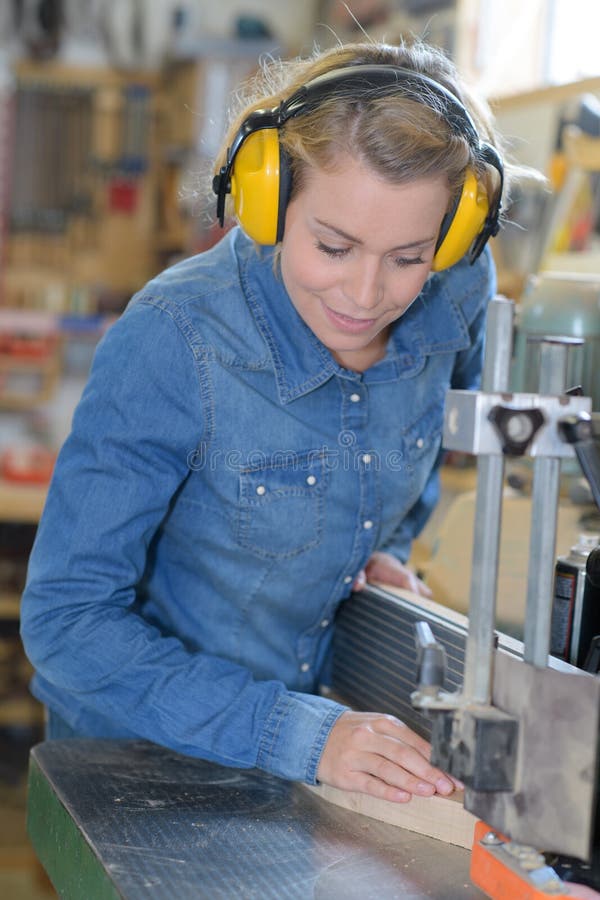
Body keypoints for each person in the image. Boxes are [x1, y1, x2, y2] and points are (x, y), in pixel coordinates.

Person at [21, 38, 505, 804]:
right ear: (268, 197)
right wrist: (297, 734)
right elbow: (67, 623)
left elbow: (428, 436)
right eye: (333, 245)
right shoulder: (173, 338)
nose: (367, 293)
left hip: (317, 754)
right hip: (140, 769)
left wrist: (378, 548)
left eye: (408, 256)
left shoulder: (457, 288)